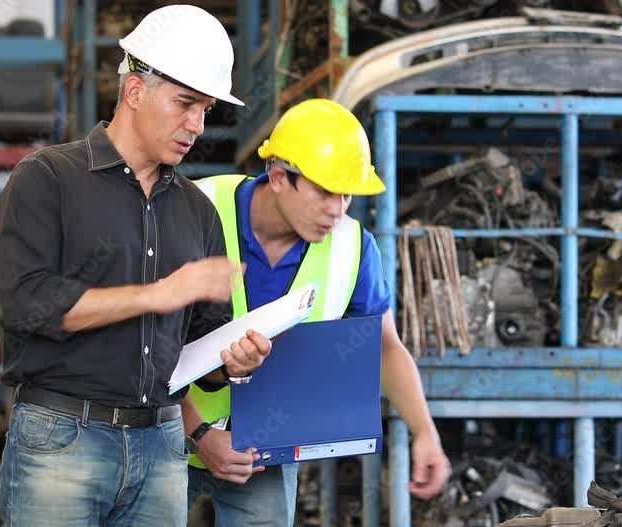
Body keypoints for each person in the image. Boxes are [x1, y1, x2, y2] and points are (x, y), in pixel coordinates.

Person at [0, 5, 272, 526]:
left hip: (163, 446)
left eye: (206, 109)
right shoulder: (47, 179)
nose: (197, 125)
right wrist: (158, 293)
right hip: (61, 440)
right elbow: (27, 308)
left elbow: (202, 358)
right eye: (185, 103)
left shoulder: (196, 210)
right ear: (136, 91)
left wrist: (233, 362)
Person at [183, 99, 452, 525]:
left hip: (261, 453)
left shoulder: (352, 247)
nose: (337, 208)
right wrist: (198, 435)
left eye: (347, 194)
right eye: (324, 191)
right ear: (277, 177)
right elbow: (144, 341)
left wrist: (426, 434)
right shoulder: (195, 209)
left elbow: (383, 346)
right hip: (167, 432)